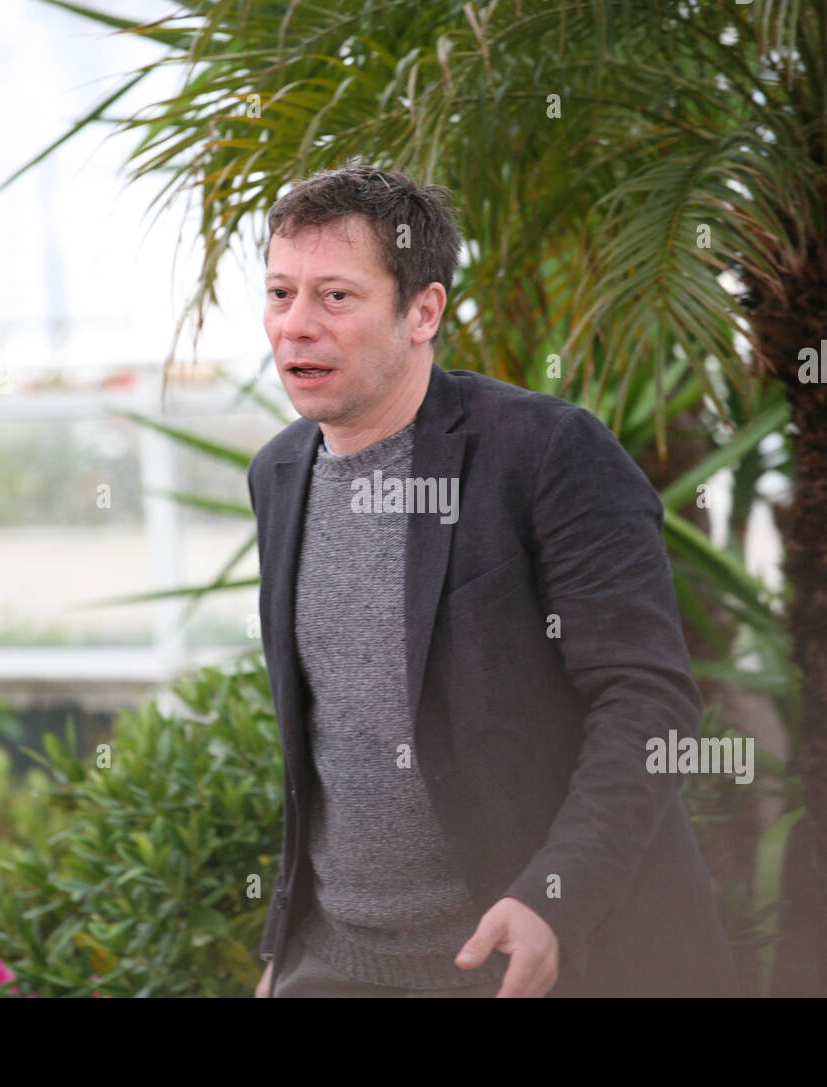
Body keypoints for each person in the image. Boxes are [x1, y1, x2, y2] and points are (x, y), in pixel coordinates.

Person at [246, 160, 738, 998]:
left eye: (335, 297)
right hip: (339, 967)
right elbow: (323, 743)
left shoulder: (547, 452)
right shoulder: (279, 472)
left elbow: (649, 703)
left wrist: (556, 897)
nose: (296, 327)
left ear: (423, 311)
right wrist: (286, 955)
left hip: (532, 959)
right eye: (280, 293)